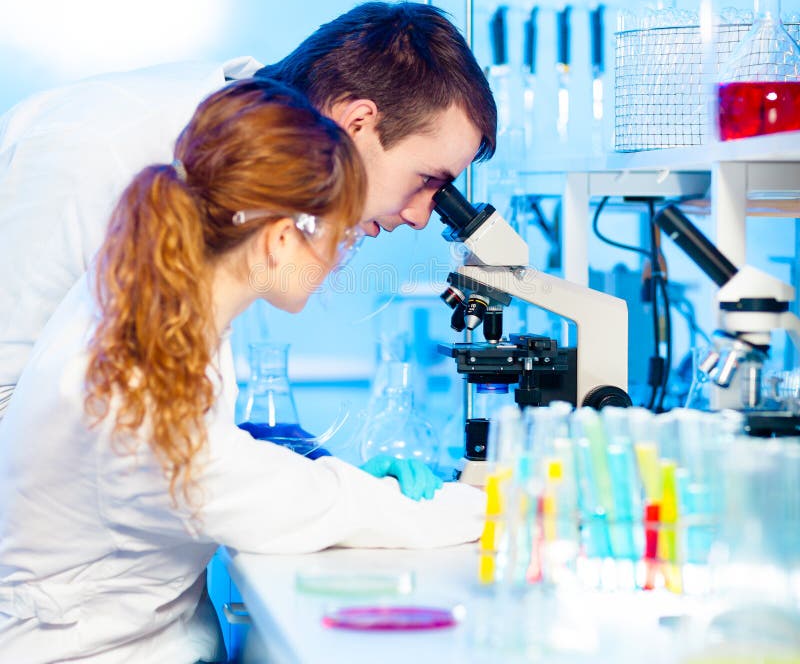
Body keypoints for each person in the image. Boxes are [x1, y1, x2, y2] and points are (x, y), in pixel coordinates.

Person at [0, 80, 484, 663]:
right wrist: (465, 510)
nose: (342, 258)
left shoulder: (153, 297)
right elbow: (262, 491)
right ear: (282, 238)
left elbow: (227, 463)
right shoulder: (137, 377)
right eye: (344, 236)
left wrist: (351, 483)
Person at [0, 0, 497, 416]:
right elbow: (9, 398)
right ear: (358, 123)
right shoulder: (97, 148)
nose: (418, 217)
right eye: (428, 180)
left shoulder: (255, 194)